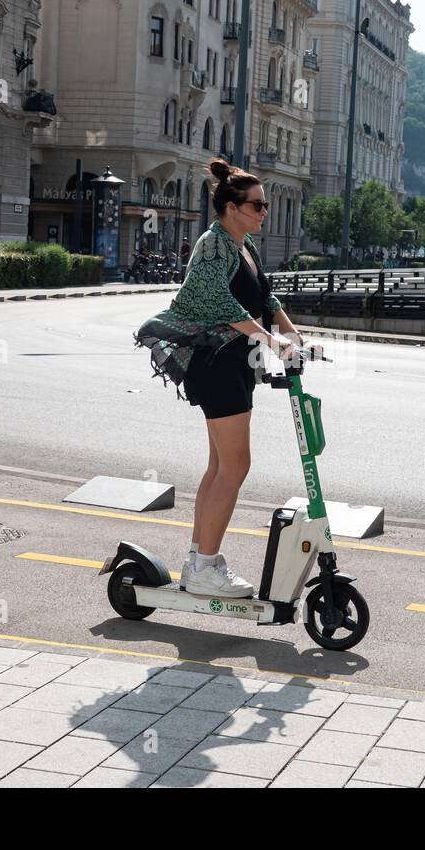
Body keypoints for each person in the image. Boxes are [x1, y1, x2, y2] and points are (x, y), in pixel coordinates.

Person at [135, 159, 307, 598]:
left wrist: (293, 336)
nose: (264, 212)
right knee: (235, 465)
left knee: (219, 467)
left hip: (234, 363)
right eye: (257, 205)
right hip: (214, 362)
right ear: (231, 206)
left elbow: (264, 297)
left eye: (266, 205)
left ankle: (199, 561)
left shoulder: (242, 246)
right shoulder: (214, 245)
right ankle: (205, 566)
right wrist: (272, 340)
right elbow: (217, 300)